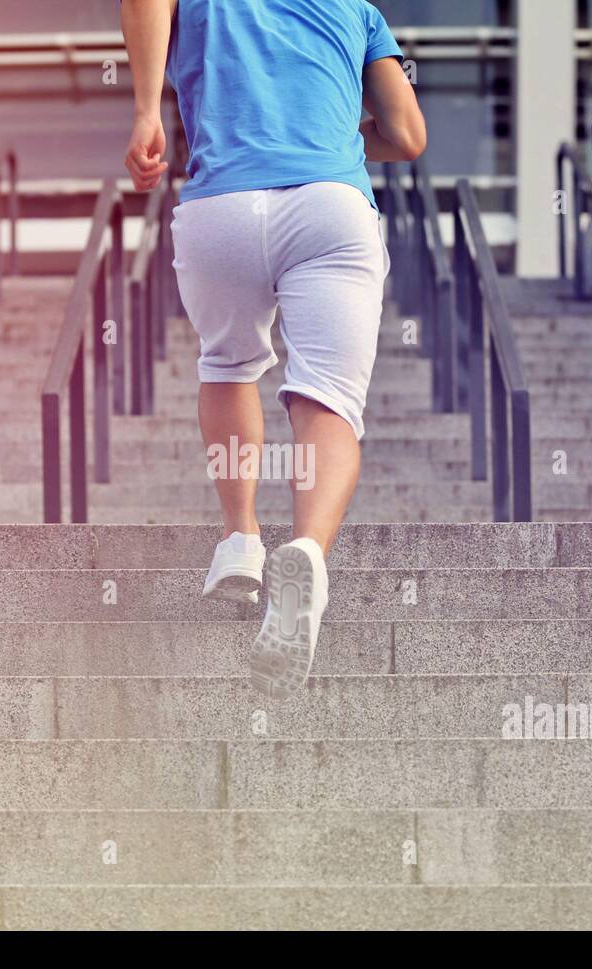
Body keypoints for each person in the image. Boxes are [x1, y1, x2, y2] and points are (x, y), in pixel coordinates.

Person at [120, 0, 426, 697]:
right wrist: (335, 132)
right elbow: (407, 135)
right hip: (329, 203)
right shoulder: (358, 10)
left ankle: (241, 539)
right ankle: (309, 553)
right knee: (327, 397)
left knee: (228, 364)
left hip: (222, 205)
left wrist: (145, 113)